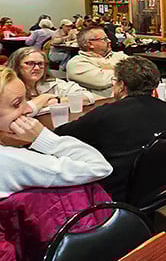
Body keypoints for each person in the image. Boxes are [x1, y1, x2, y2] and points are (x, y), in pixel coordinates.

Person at [55, 57, 166, 200]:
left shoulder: (106, 115)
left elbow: (62, 134)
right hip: (160, 184)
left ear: (121, 85)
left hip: (117, 193)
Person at [0, 65, 112, 198]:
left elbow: (32, 106)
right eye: (17, 103)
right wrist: (43, 138)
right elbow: (99, 167)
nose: (27, 109)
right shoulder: (11, 160)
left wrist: (45, 98)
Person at [7, 48, 94, 115]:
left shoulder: (51, 83)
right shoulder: (7, 88)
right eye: (30, 63)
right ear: (17, 65)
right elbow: (13, 114)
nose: (37, 68)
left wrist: (57, 101)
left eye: (40, 64)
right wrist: (44, 98)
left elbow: (88, 97)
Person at [66, 26, 127, 98]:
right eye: (104, 39)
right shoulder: (76, 64)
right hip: (101, 106)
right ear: (90, 44)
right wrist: (123, 70)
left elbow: (139, 70)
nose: (109, 41)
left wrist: (110, 69)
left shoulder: (118, 55)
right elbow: (102, 81)